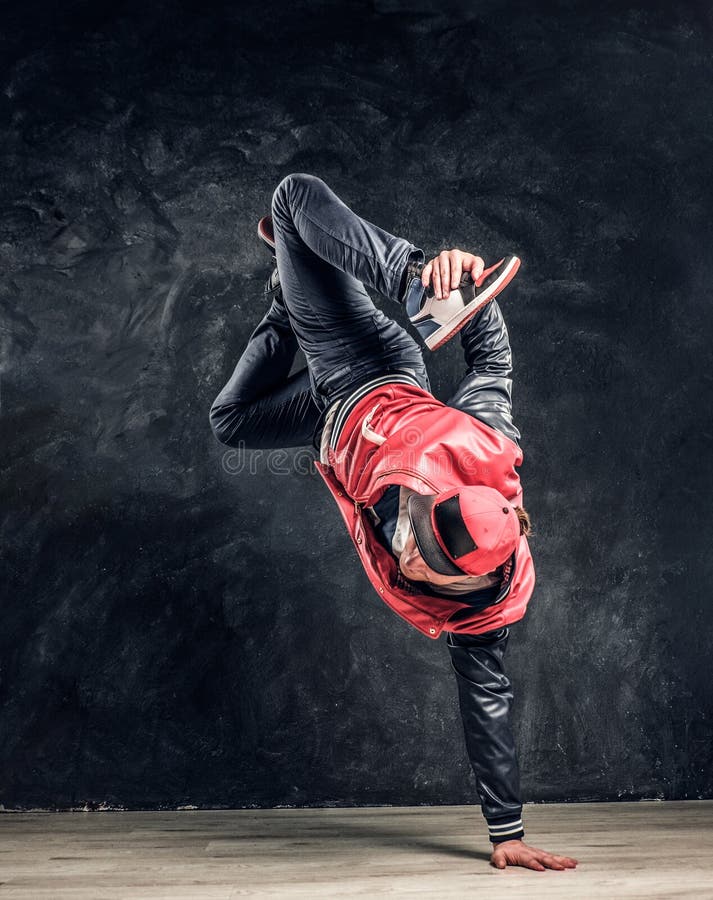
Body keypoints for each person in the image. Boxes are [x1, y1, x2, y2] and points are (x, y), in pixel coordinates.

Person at [209, 173, 578, 872]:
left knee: (230, 422)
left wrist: (506, 832)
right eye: (414, 527)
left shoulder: (483, 617)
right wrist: (445, 275)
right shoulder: (481, 439)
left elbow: (487, 701)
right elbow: (490, 354)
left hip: (329, 425)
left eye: (416, 554)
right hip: (365, 366)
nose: (403, 548)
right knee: (294, 195)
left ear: (466, 578)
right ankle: (390, 276)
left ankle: (291, 290)